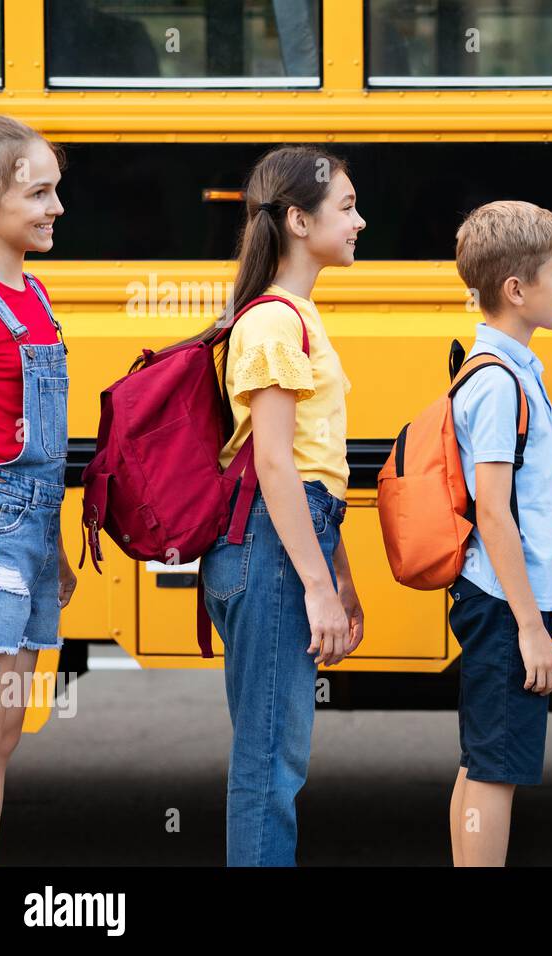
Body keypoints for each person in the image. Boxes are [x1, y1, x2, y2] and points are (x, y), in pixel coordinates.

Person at [191, 145, 366, 866]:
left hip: (284, 542)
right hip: (268, 549)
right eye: (347, 208)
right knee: (269, 765)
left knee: (277, 758)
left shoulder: (294, 315)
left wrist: (340, 578)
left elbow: (313, 467)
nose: (361, 221)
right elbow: (272, 463)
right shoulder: (272, 322)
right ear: (299, 219)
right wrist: (319, 588)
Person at [446, 200, 552, 866]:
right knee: (496, 769)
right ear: (517, 290)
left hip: (496, 598)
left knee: (483, 760)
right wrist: (531, 629)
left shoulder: (511, 371)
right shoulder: (499, 384)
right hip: (503, 603)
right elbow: (493, 511)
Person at [0, 114, 75, 868]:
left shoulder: (35, 293)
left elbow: (45, 451)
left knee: (3, 734)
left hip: (32, 536)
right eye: (37, 193)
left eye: (55, 191)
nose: (55, 208)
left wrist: (59, 547)